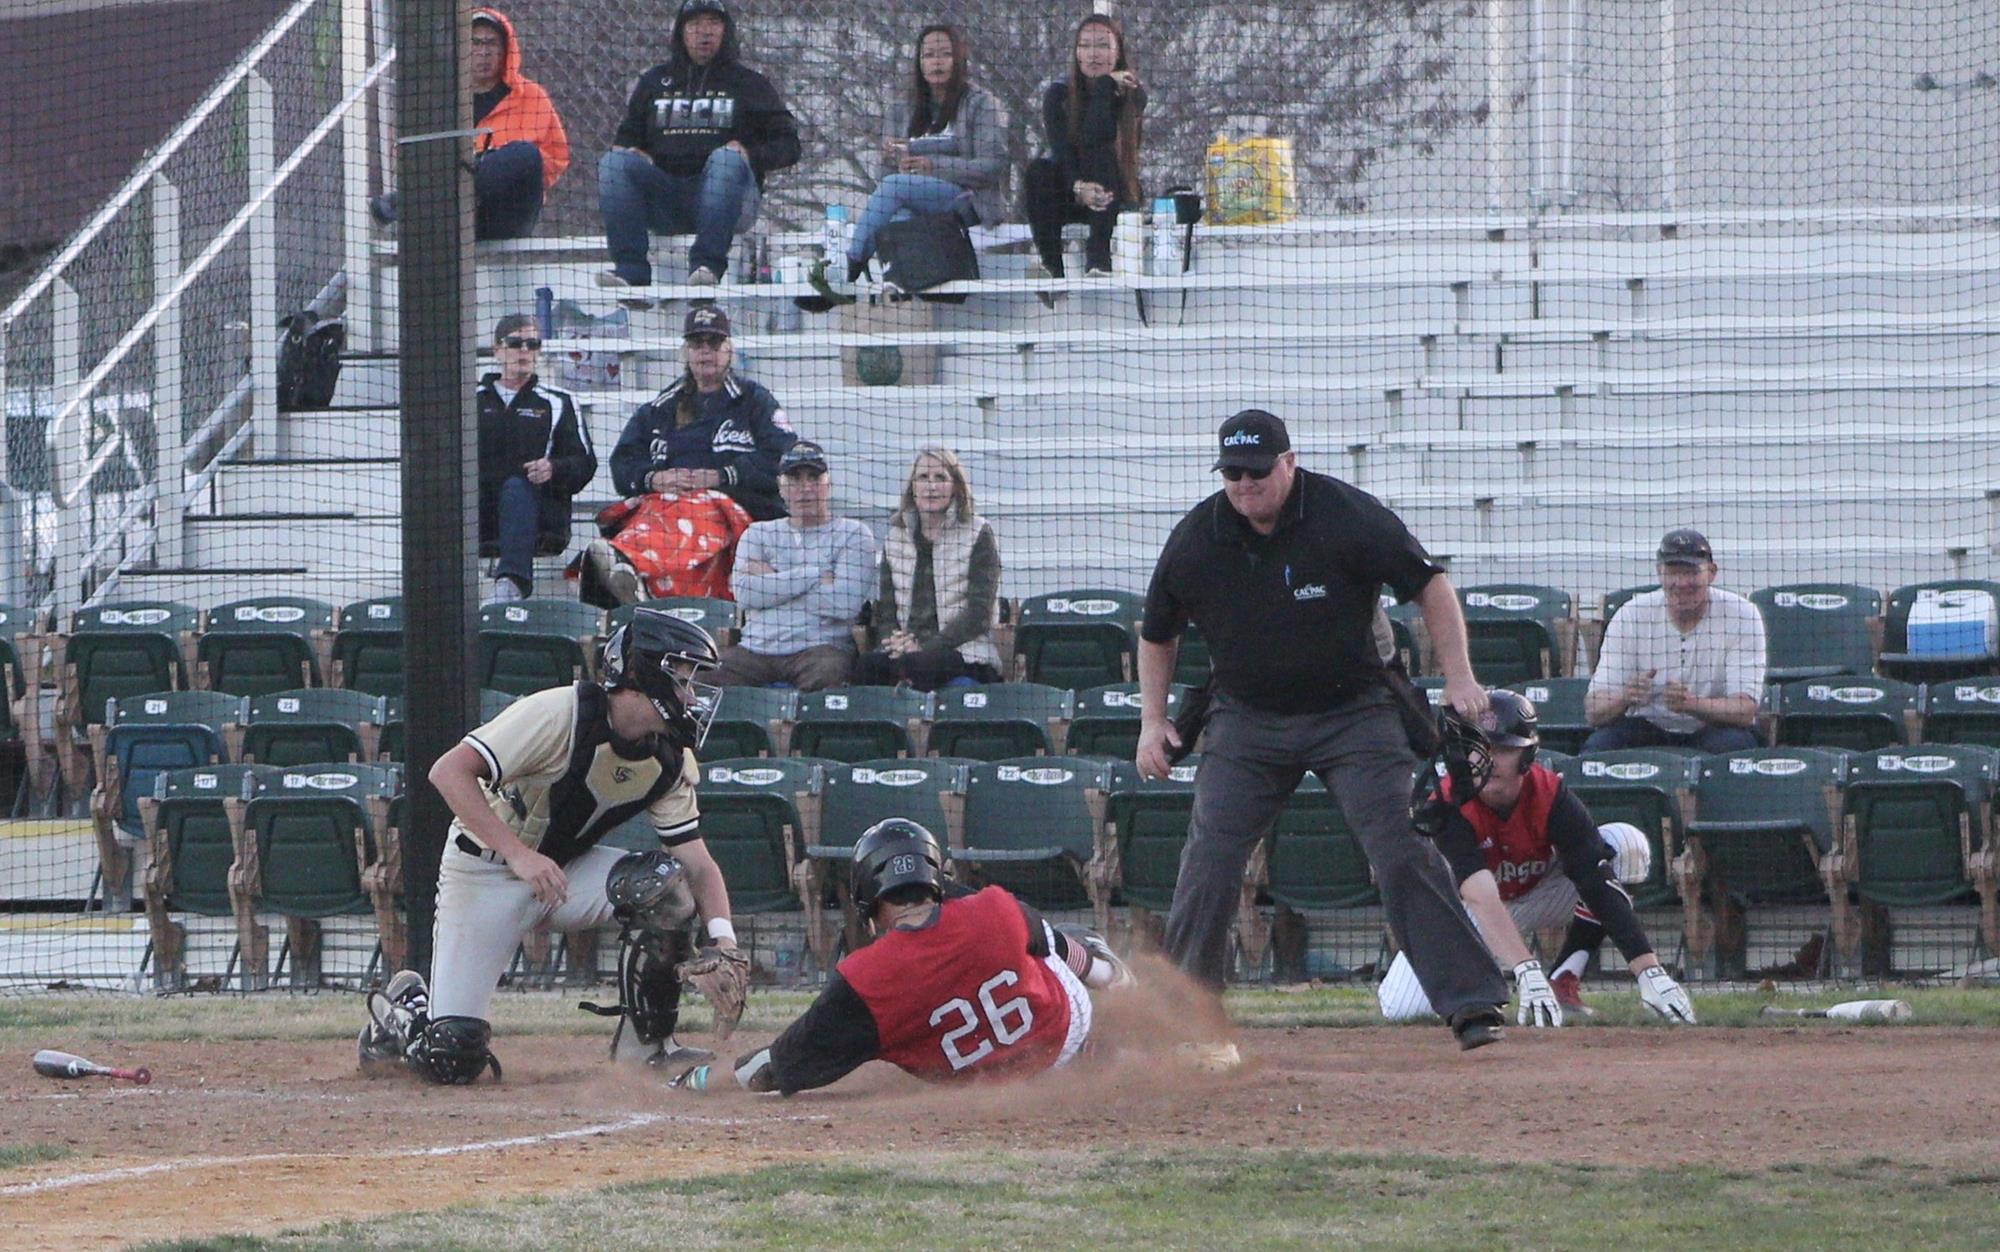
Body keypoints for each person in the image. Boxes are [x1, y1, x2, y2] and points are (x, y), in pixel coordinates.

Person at [1137, 409, 1512, 1051]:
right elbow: (1157, 632)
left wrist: (1459, 678)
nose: (1245, 485)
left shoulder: (1346, 515)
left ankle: (1472, 1004)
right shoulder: (1199, 537)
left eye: (1256, 471)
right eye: (1232, 473)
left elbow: (1431, 586)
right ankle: (1187, 1020)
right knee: (1211, 855)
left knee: (1401, 843)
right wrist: (1152, 720)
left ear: (1289, 462)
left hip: (1355, 710)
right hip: (1247, 718)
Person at [356, 611, 751, 1083]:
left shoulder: (668, 756)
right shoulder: (558, 712)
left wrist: (724, 940)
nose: (691, 697)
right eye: (682, 681)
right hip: (485, 869)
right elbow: (448, 772)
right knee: (451, 1058)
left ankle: (646, 1048)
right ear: (644, 674)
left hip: (563, 874)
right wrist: (520, 855)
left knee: (664, 886)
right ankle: (402, 1013)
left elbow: (698, 865)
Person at [668, 818, 1133, 1095]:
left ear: (867, 898)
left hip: (979, 1086)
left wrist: (701, 1081)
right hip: (1065, 1034)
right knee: (1066, 939)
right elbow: (1052, 947)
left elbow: (776, 1066)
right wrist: (1102, 974)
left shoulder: (862, 980)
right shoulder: (994, 907)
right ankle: (1122, 994)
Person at [1380, 690, 1697, 1025]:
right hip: (1470, 914)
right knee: (1403, 1007)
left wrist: (1649, 971)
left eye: (1502, 749)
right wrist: (1525, 967)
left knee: (1626, 843)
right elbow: (1477, 892)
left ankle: (1564, 980)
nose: (1487, 759)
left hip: (1540, 893)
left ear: (1527, 756)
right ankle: (1503, 983)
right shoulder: (1449, 802)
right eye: (1478, 746)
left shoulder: (1549, 794)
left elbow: (1592, 877)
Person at [597, 0, 800, 288]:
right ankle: (631, 271)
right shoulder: (654, 82)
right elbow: (625, 140)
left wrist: (749, 154)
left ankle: (707, 266)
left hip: (729, 198)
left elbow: (789, 145)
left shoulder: (748, 83)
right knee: (613, 163)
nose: (704, 33)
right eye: (695, 24)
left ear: (726, 31)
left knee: (725, 159)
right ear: (680, 31)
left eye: (713, 24)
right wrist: (632, 152)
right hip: (667, 200)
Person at [372, 9, 570, 240]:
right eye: (475, 42)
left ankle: (411, 201)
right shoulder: (440, 98)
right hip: (449, 216)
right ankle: (433, 196)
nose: (483, 52)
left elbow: (557, 158)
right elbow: (410, 154)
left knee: (525, 154)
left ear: (506, 48)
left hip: (504, 213)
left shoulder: (531, 96)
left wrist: (495, 165)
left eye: (491, 43)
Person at [844, 24, 1008, 284]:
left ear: (958, 59)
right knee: (899, 217)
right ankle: (914, 292)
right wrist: (892, 159)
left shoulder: (979, 102)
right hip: (912, 196)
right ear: (919, 62)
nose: (936, 62)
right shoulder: (901, 108)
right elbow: (884, 176)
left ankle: (849, 268)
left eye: (944, 54)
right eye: (929, 55)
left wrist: (933, 166)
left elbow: (992, 166)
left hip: (967, 200)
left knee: (895, 187)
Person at [710, 442, 876, 691]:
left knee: (829, 675)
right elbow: (746, 595)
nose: (805, 488)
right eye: (795, 479)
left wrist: (772, 580)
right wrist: (815, 575)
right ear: (780, 486)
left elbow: (844, 604)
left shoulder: (853, 534)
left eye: (814, 478)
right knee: (702, 681)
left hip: (820, 649)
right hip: (756, 649)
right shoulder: (758, 533)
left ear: (828, 485)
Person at [1582, 528, 1766, 754]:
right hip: (1647, 726)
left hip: (1715, 728)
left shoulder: (1742, 614)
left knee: (1737, 747)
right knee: (1599, 746)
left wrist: (1692, 704)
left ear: (1711, 572)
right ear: (1659, 572)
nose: (1682, 583)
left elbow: (1745, 710)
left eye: (1691, 572)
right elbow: (1593, 711)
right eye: (1672, 572)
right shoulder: (1630, 615)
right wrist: (1625, 697)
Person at [606, 305, 797, 521]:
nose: (705, 351)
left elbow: (784, 459)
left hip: (744, 516)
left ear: (729, 349)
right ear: (686, 352)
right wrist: (653, 479)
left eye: (714, 343)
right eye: (697, 344)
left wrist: (722, 476)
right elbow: (622, 465)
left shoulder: (755, 400)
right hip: (672, 514)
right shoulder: (660, 408)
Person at [856, 446, 1002, 691]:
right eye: (923, 478)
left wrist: (926, 648)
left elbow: (979, 614)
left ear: (956, 486)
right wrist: (893, 642)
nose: (931, 486)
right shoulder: (895, 537)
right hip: (907, 649)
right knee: (866, 667)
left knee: (923, 665)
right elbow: (886, 610)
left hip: (961, 650)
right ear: (912, 487)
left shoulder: (978, 532)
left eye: (940, 478)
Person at [477, 314, 595, 603]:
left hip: (538, 512)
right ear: (497, 349)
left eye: (533, 344)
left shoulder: (558, 402)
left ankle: (512, 584)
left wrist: (553, 468)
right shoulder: (470, 399)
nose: (525, 351)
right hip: (480, 506)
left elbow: (584, 462)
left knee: (517, 487)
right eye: (516, 343)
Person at [1023, 14, 1145, 279]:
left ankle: (1099, 260)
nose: (1093, 54)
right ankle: (1052, 270)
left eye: (1102, 45)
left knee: (1101, 154)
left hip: (1114, 192)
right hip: (1074, 189)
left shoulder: (1132, 93)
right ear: (1076, 53)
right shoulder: (1058, 94)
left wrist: (1104, 85)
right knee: (1038, 171)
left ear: (1117, 51)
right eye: (1085, 46)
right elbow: (1062, 150)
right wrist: (1078, 187)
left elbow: (1096, 136)